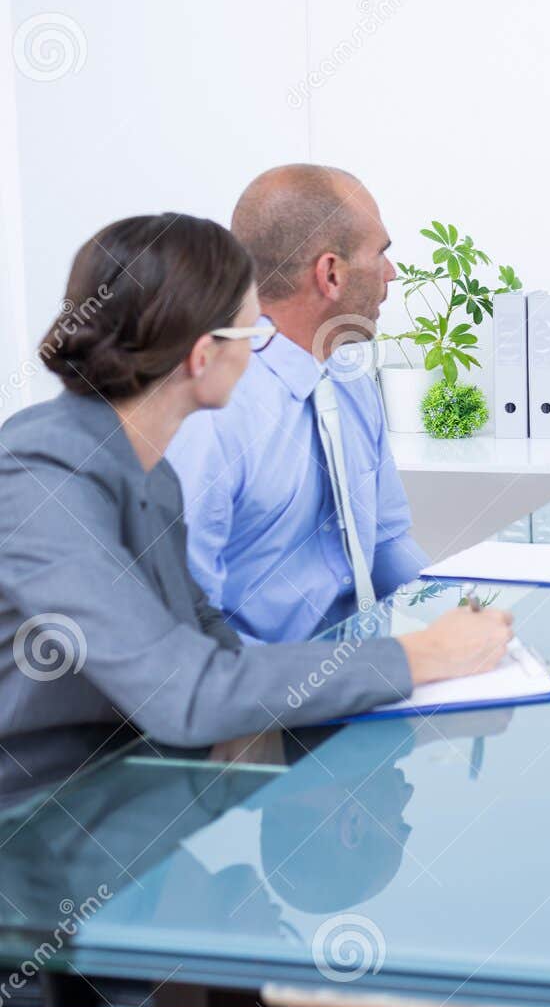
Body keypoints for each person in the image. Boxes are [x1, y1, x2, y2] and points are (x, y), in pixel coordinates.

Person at [0, 214, 512, 765]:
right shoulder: (40, 476)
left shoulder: (149, 470)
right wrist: (418, 656)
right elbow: (186, 692)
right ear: (203, 357)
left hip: (145, 777)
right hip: (45, 800)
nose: (265, 352)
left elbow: (207, 639)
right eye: (255, 335)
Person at [165, 164, 424, 643]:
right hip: (262, 684)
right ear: (331, 274)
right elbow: (183, 632)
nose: (391, 273)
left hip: (356, 667)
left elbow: (388, 542)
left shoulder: (350, 380)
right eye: (381, 253)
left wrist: (456, 615)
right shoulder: (211, 412)